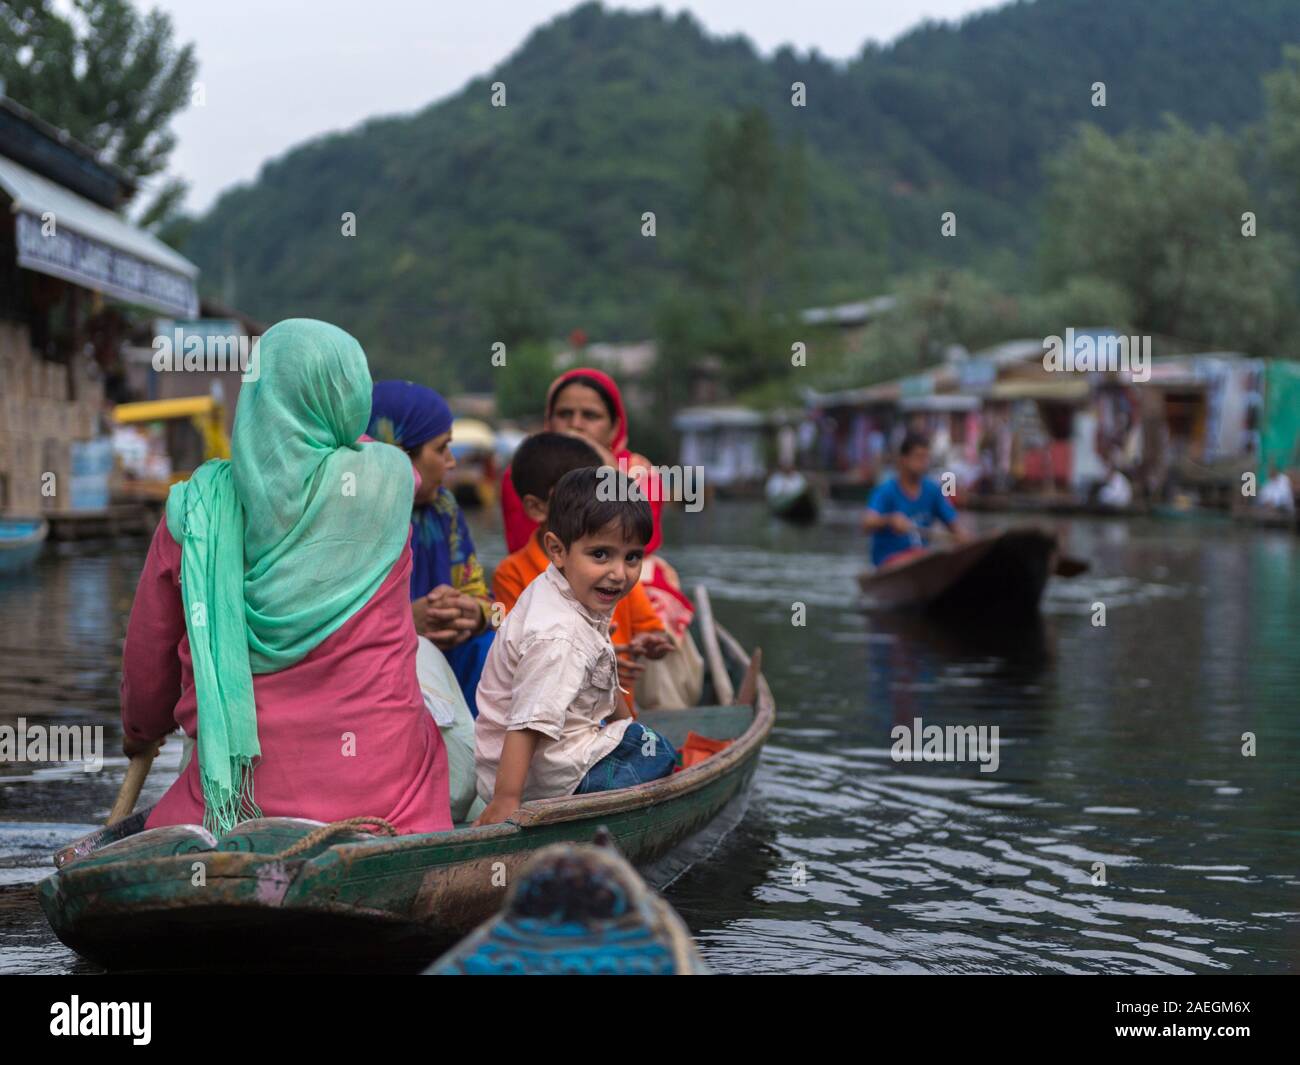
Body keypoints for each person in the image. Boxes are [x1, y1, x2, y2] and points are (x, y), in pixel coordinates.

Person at [120, 319, 452, 836]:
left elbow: (149, 657)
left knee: (185, 820)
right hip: (387, 801)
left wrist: (141, 730)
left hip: (238, 808)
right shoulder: (389, 482)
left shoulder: (195, 510)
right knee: (435, 735)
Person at [474, 467, 677, 826]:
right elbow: (527, 723)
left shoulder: (566, 591)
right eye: (601, 554)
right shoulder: (559, 635)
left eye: (632, 557)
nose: (619, 573)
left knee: (640, 738)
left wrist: (625, 727)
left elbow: (603, 677)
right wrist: (507, 802)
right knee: (659, 751)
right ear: (558, 550)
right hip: (541, 780)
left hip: (543, 761)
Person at [493, 432, 675, 713]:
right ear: (537, 507)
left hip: (610, 716)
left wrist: (649, 643)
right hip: (549, 721)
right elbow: (510, 647)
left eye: (632, 557)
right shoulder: (513, 574)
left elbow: (650, 628)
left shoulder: (618, 576)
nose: (618, 571)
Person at [368, 381, 494, 717]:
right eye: (441, 449)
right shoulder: (356, 516)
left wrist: (472, 613)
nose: (451, 462)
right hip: (380, 666)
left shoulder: (444, 508)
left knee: (490, 648)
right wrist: (406, 621)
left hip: (449, 656)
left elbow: (483, 596)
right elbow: (333, 630)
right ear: (400, 454)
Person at [500, 368, 662, 555]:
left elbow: (643, 545)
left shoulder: (639, 471)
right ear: (548, 421)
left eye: (590, 415)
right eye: (564, 414)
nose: (575, 424)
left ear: (614, 428)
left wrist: (611, 474)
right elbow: (522, 545)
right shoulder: (522, 472)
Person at [861, 432, 968, 567]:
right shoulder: (886, 491)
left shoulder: (933, 491)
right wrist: (889, 520)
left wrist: (964, 539)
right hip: (890, 561)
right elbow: (866, 523)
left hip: (921, 558)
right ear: (903, 459)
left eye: (926, 457)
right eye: (918, 457)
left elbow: (955, 527)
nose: (923, 462)